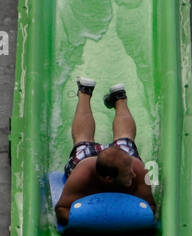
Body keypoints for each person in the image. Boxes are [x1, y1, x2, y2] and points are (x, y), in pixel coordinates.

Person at [54, 78, 156, 227]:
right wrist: (93, 219)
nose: (133, 174)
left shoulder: (138, 169)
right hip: (86, 160)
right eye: (128, 174)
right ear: (108, 179)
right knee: (82, 140)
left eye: (131, 171)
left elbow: (151, 208)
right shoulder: (82, 174)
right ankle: (84, 92)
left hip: (120, 158)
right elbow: (61, 209)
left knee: (126, 140)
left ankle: (119, 98)